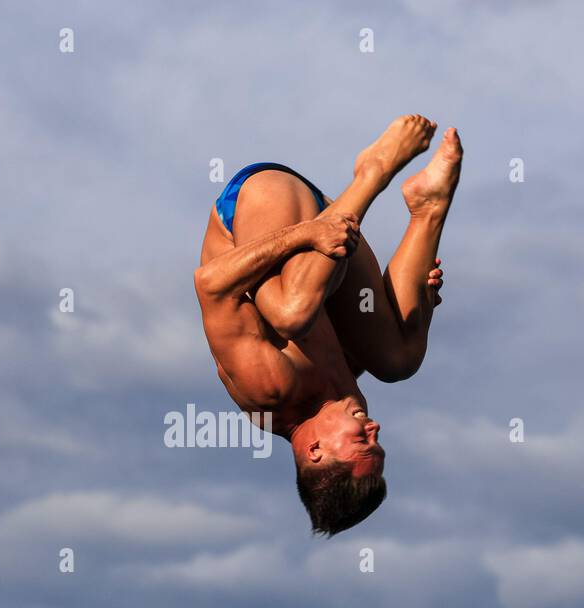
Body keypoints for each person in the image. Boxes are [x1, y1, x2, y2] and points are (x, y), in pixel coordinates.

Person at [193, 115, 462, 535]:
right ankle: (428, 208)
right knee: (398, 360)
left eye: (362, 441)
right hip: (332, 232)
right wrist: (420, 304)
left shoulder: (267, 392)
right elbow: (349, 330)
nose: (374, 429)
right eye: (377, 442)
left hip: (262, 203)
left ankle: (374, 171)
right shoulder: (342, 399)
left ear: (316, 451)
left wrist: (301, 236)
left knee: (292, 313)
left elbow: (210, 285)